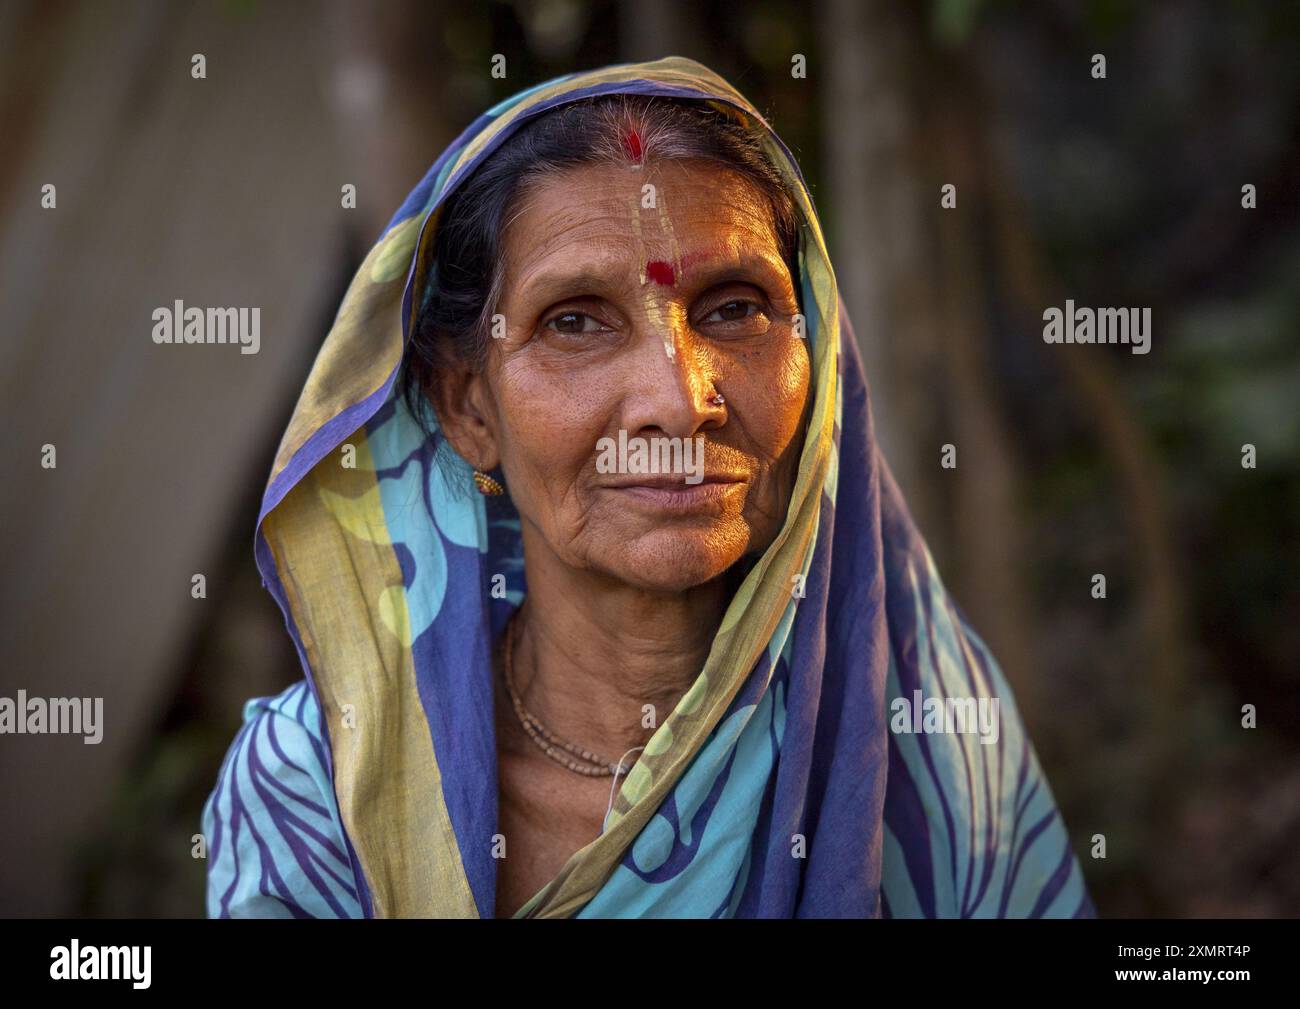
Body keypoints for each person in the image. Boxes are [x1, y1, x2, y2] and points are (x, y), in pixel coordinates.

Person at [202, 57, 1094, 919]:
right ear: (468, 406)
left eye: (734, 308)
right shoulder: (322, 786)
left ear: (815, 361)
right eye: (576, 322)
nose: (680, 401)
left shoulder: (933, 751)